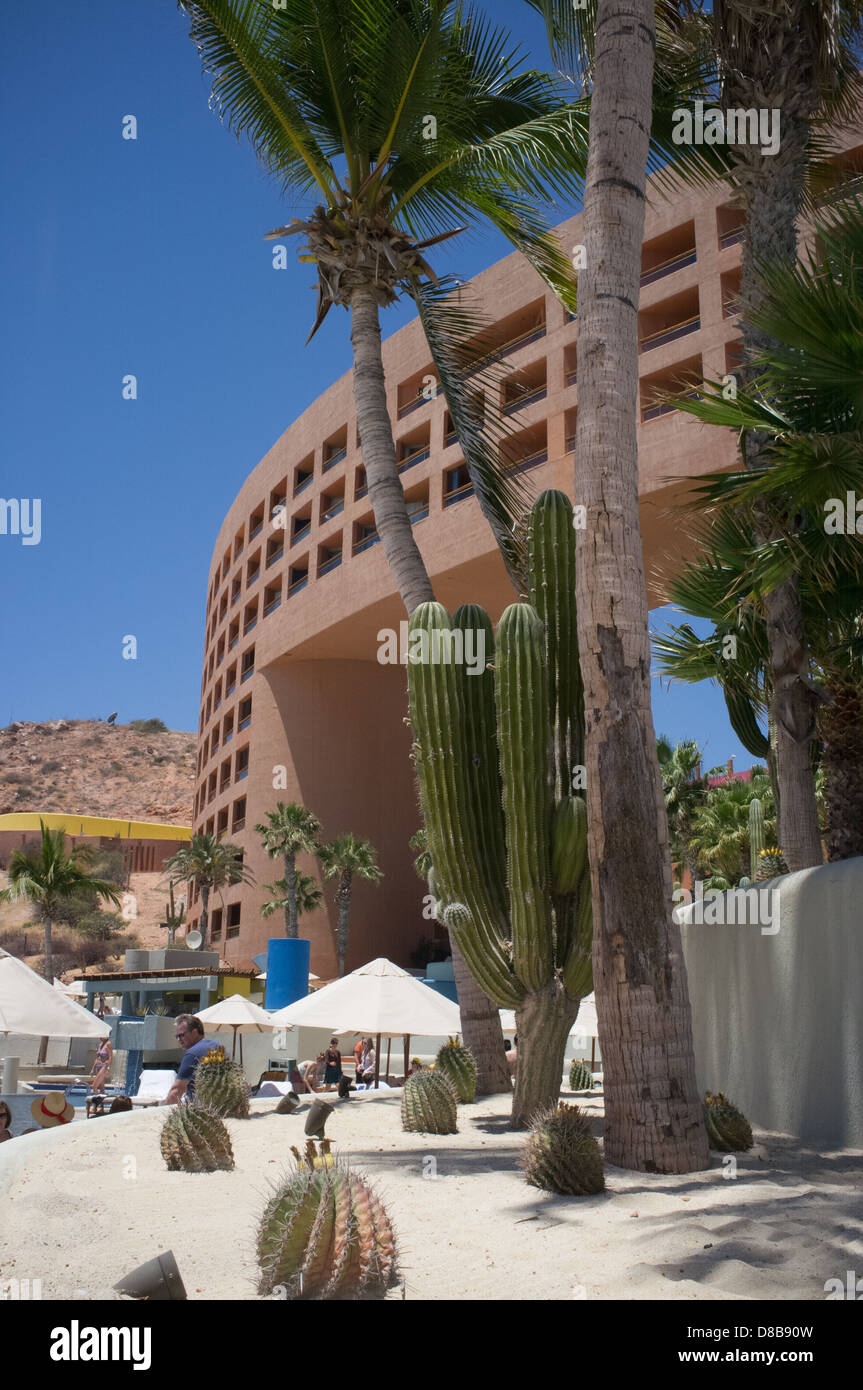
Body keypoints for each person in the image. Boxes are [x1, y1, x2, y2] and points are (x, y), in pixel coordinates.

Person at [163, 1014, 220, 1105]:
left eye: (182, 1035)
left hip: (203, 1109)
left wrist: (161, 1110)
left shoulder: (193, 1054)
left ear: (194, 1032)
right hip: (224, 1104)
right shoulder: (218, 1046)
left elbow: (177, 1090)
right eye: (177, 1036)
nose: (179, 1039)